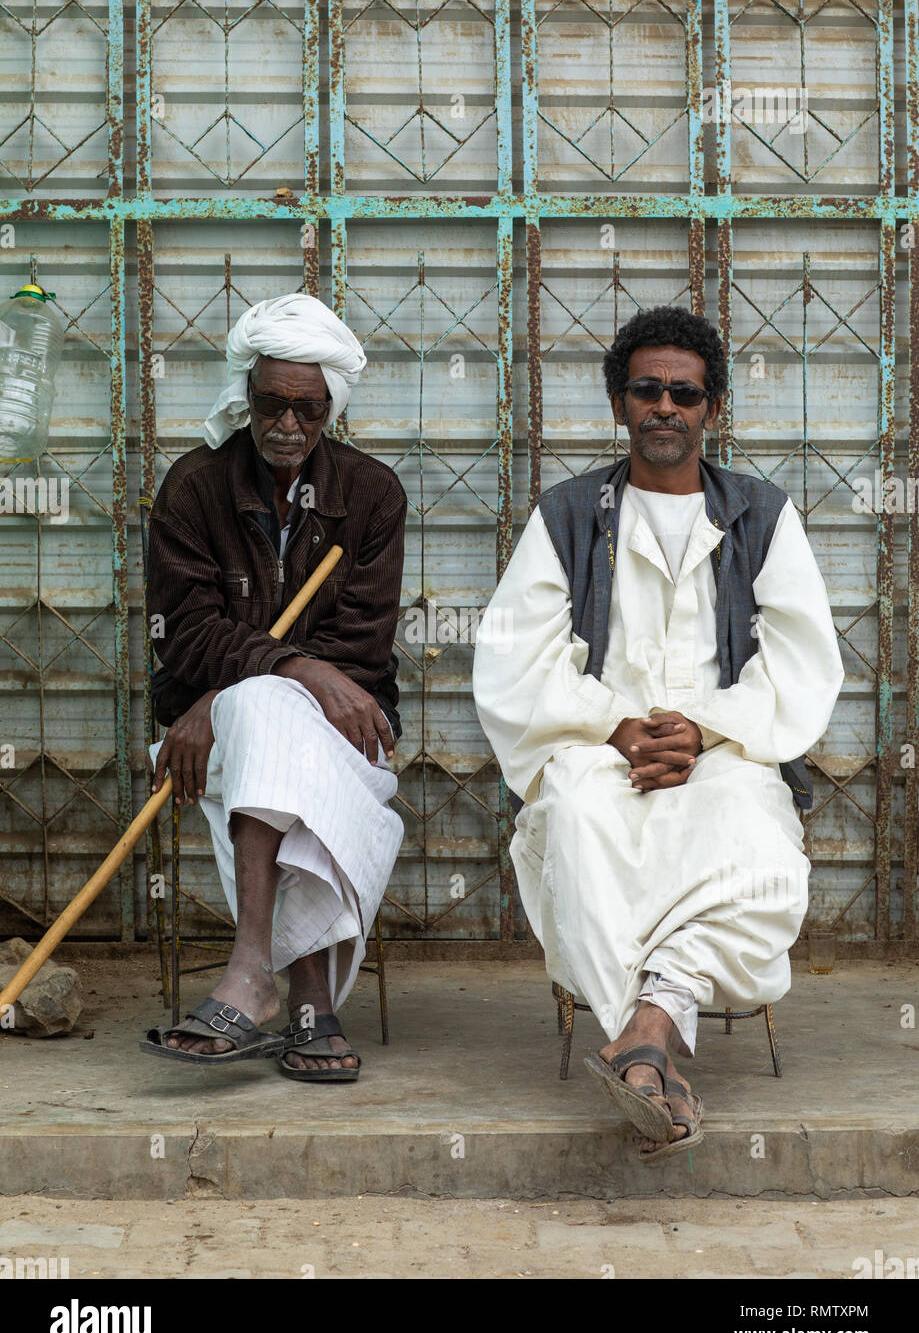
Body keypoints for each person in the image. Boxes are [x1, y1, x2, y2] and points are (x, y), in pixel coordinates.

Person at [472, 305, 843, 1159]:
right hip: (600, 752)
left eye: (684, 392)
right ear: (618, 403)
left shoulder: (761, 515)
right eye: (647, 389)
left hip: (724, 753)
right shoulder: (568, 514)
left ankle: (641, 1037)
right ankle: (654, 1039)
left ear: (711, 409)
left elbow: (802, 661)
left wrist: (706, 730)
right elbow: (513, 660)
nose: (664, 407)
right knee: (567, 813)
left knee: (760, 847)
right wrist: (613, 727)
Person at [140, 292, 406, 1082]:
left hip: (338, 724)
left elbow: (357, 648)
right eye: (270, 404)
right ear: (245, 399)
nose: (287, 425)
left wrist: (221, 697)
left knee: (268, 716)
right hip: (209, 734)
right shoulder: (193, 487)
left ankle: (251, 971)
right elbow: (183, 633)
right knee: (267, 714)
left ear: (331, 409)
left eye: (308, 410)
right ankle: (309, 1002)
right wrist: (295, 670)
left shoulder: (371, 494)